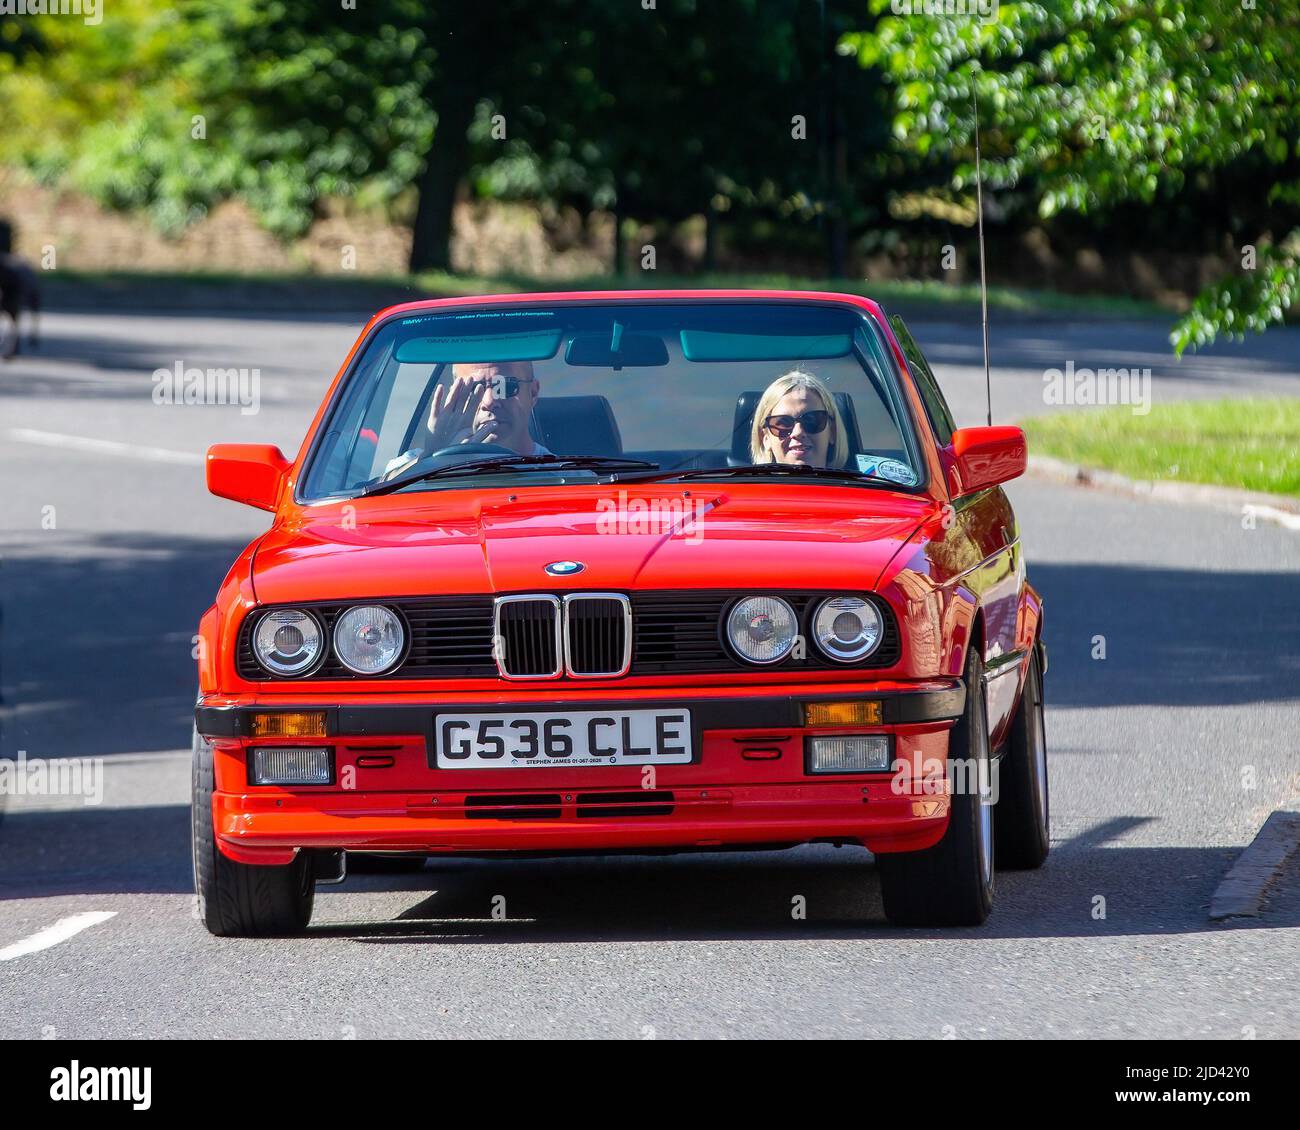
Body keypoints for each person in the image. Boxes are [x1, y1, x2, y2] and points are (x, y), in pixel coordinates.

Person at [382, 360, 548, 479]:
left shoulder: (564, 472)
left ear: (533, 393)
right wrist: (431, 458)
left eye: (504, 386)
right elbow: (376, 491)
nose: (489, 402)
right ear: (457, 395)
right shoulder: (413, 463)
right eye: (475, 389)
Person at [749, 369, 848, 469]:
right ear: (765, 438)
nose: (798, 432)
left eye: (811, 420)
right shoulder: (738, 485)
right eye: (783, 423)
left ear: (832, 431)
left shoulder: (860, 483)